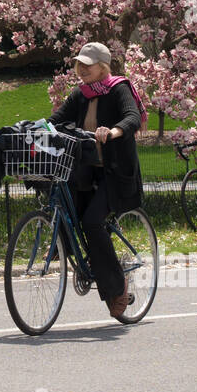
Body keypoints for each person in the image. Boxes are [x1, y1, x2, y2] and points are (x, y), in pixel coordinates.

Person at [51, 41, 145, 319]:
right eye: (79, 64)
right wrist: (36, 128)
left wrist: (114, 132)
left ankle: (117, 288)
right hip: (86, 172)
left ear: (103, 67)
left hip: (114, 174)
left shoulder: (119, 88)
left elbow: (133, 116)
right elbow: (57, 119)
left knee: (92, 221)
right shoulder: (80, 94)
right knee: (69, 212)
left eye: (87, 65)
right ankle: (83, 256)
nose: (82, 69)